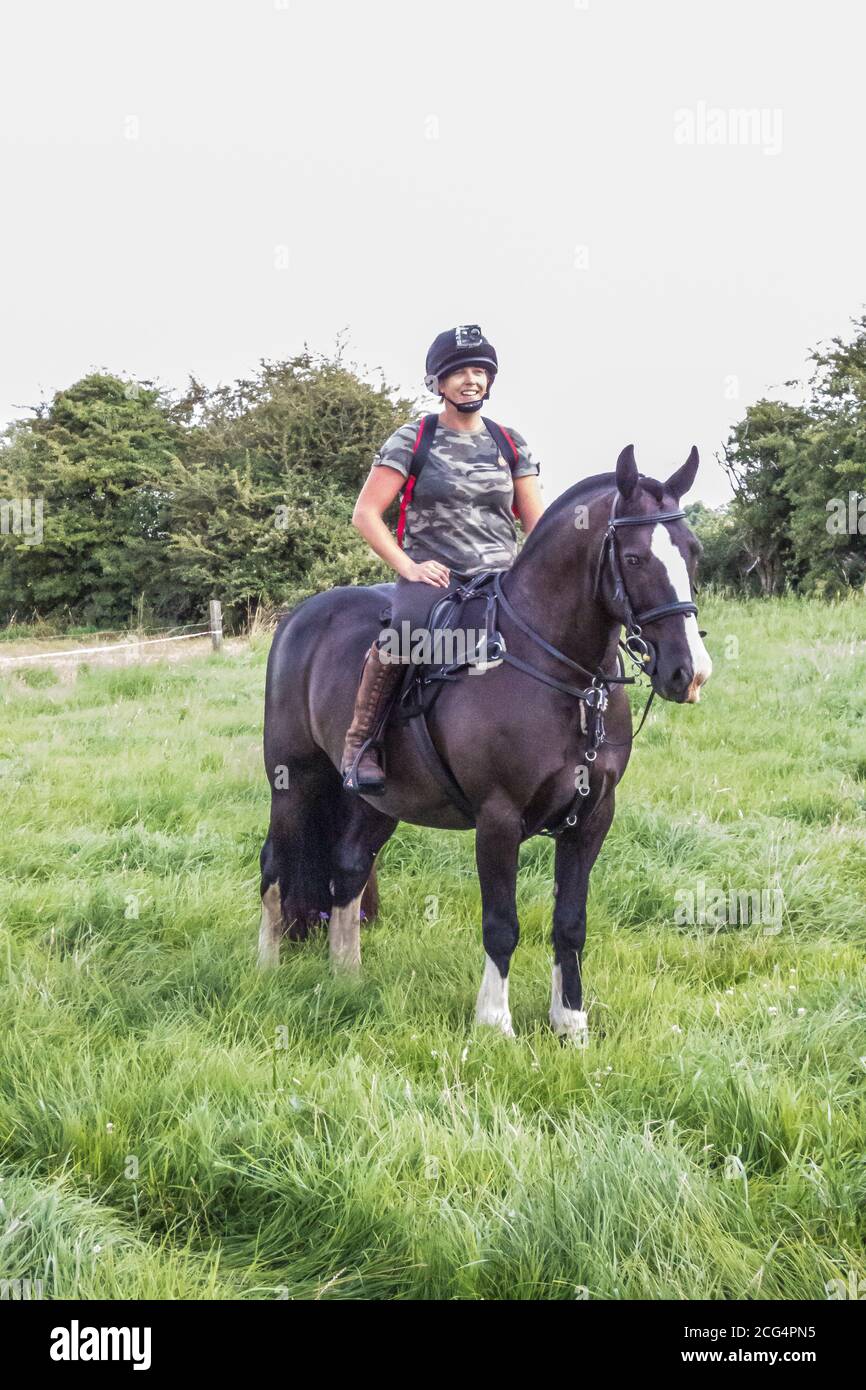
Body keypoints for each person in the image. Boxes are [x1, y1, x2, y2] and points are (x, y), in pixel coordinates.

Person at [341, 324, 545, 793]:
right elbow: (366, 514)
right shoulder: (413, 439)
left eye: (479, 371)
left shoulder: (510, 443)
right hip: (434, 576)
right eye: (458, 372)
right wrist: (407, 566)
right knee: (406, 636)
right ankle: (362, 742)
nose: (470, 380)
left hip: (502, 576)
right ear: (438, 382)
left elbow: (537, 524)